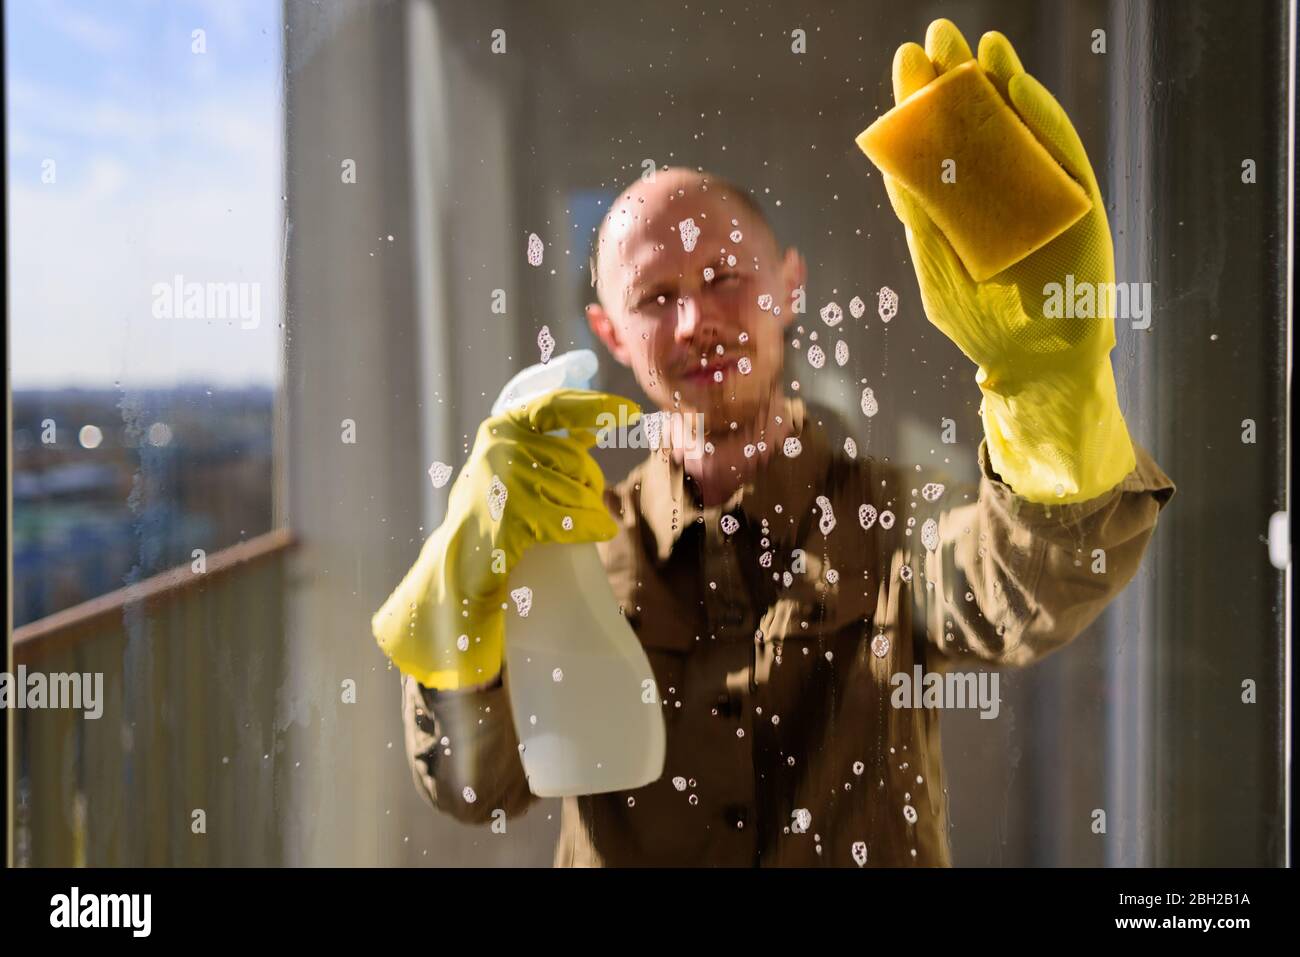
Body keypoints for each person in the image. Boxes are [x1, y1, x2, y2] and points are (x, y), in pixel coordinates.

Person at [372, 19, 1175, 866]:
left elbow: (1031, 583)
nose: (697, 321)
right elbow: (476, 785)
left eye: (724, 277)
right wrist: (466, 580)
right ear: (608, 331)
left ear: (789, 285)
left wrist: (1047, 392)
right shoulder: (567, 546)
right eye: (654, 297)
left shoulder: (896, 512)